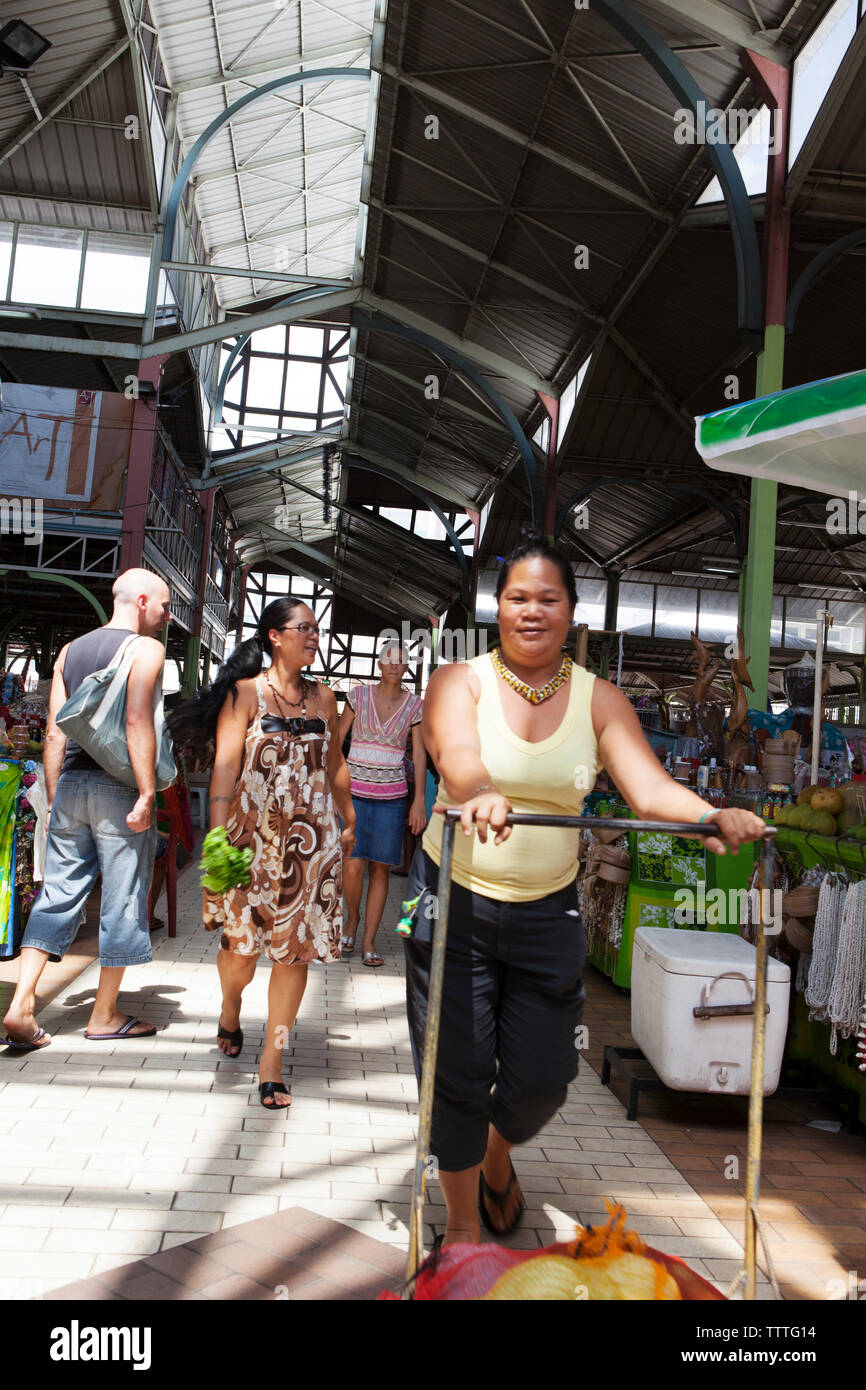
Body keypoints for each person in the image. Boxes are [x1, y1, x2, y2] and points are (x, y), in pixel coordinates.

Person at [408, 537, 766, 1245]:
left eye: (548, 599)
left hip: (547, 910)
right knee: (457, 1066)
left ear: (572, 613)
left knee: (543, 1075)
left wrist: (706, 816)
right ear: (497, 607)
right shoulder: (460, 679)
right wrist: (478, 792)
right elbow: (456, 755)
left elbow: (648, 786)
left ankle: (498, 1157)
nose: (532, 611)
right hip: (457, 897)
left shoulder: (597, 699)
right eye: (517, 597)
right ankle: (462, 1232)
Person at [168, 598, 354, 1111]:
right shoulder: (245, 694)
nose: (314, 637)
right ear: (275, 636)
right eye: (304, 629)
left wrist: (349, 815)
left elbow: (335, 761)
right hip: (253, 840)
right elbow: (227, 765)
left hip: (311, 842)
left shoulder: (326, 699)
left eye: (317, 630)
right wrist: (220, 828)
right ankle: (231, 1006)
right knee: (243, 952)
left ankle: (271, 1062)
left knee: (294, 954)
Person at [2, 568, 171, 1049]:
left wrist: (55, 798)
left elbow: (57, 731)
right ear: (141, 601)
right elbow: (138, 718)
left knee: (57, 895)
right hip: (119, 789)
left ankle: (22, 1004)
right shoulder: (146, 649)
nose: (165, 616)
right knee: (121, 900)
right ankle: (103, 1014)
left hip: (71, 784)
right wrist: (145, 791)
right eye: (161, 605)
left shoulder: (70, 651)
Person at [338, 642, 426, 966]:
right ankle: (352, 919)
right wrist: (329, 784)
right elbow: (336, 741)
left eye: (400, 660)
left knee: (380, 868)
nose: (394, 664)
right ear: (379, 663)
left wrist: (419, 802)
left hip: (392, 797)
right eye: (388, 658)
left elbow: (419, 753)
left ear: (406, 668)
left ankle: (370, 941)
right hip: (354, 794)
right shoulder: (358, 696)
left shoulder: (416, 706)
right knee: (352, 862)